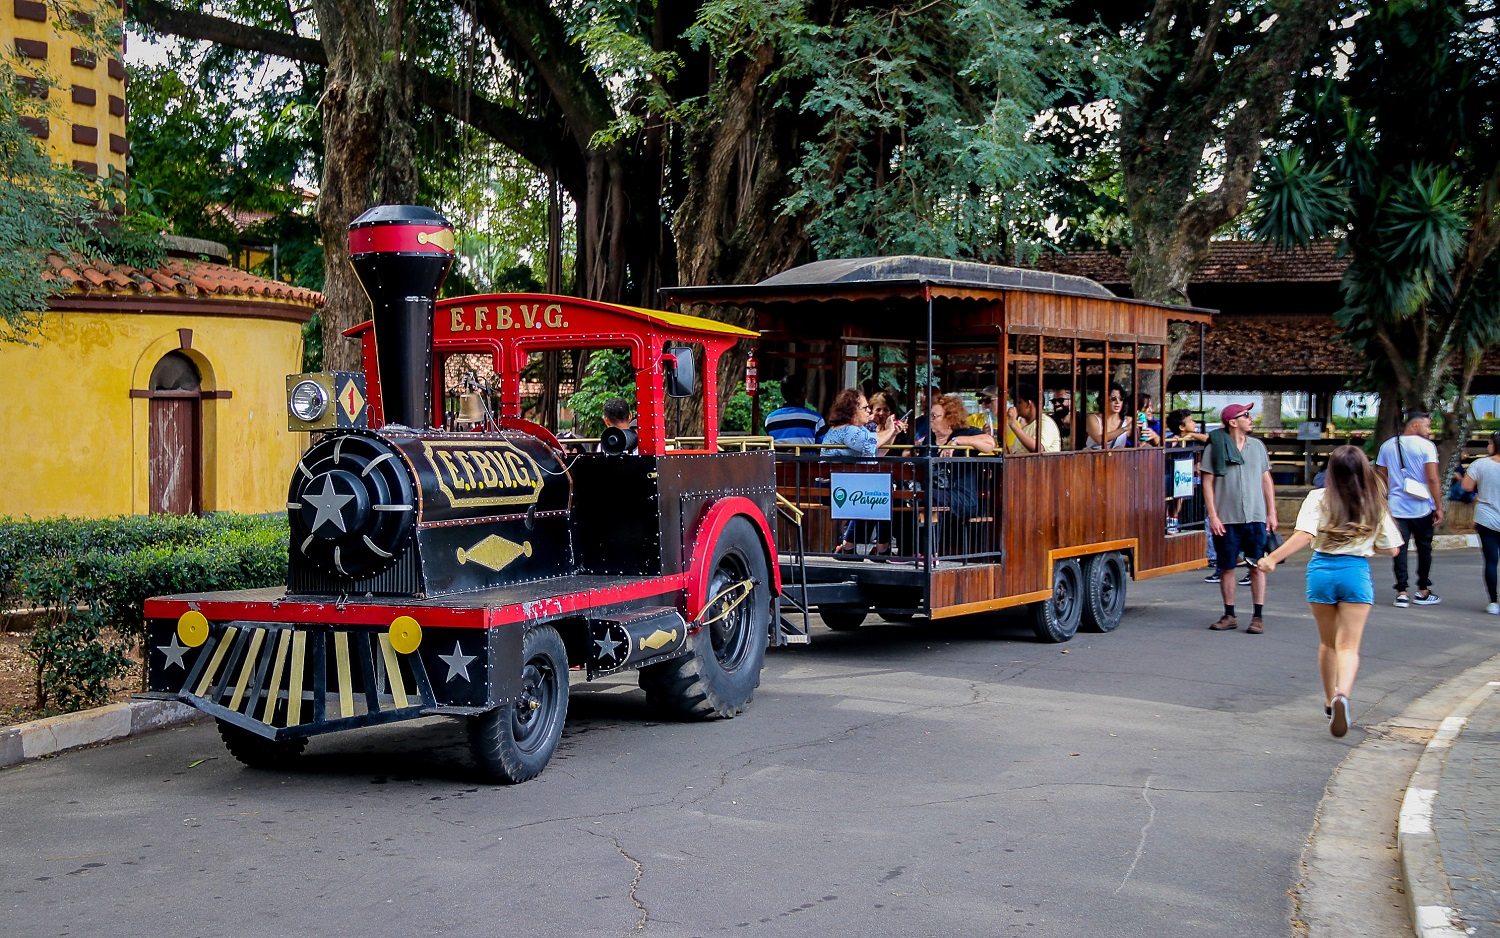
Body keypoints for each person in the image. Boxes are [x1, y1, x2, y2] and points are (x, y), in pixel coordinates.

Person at [1256, 445, 1402, 737]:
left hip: (1322, 572)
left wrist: (1272, 558)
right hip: (1356, 573)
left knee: (1328, 644)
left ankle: (1327, 701)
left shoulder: (1317, 497)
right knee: (1349, 646)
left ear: (1331, 472)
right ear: (1363, 470)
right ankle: (1342, 696)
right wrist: (1368, 544)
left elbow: (1306, 534)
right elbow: (1393, 549)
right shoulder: (1374, 502)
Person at [1203, 402, 1277, 632]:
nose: (1251, 418)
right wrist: (1213, 516)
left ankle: (1258, 616)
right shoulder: (1215, 447)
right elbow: (1207, 481)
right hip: (1227, 516)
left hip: (1254, 515)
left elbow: (1266, 480)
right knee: (1227, 567)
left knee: (1257, 566)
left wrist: (1271, 511)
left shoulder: (1257, 446)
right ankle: (1230, 614)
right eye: (1246, 415)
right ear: (1233, 422)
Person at [1374, 410, 1444, 607]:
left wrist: (1386, 499)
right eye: (1427, 426)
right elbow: (1432, 478)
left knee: (1399, 549)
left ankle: (1402, 592)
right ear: (1415, 425)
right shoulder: (1427, 447)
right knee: (1424, 549)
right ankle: (1423, 590)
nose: (1429, 430)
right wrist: (1439, 506)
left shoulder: (1387, 446)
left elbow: (1382, 477)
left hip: (1396, 507)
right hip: (1422, 507)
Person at [822, 389, 903, 557]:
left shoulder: (855, 431)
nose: (868, 411)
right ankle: (882, 548)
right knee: (882, 494)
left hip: (847, 484)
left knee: (879, 492)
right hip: (838, 487)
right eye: (865, 407)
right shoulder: (848, 431)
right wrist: (889, 429)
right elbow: (872, 445)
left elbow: (876, 453)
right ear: (852, 410)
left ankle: (854, 545)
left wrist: (892, 433)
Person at [1460, 430, 1500, 615]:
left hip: (1487, 518)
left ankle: (1493, 602)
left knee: (1491, 560)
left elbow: (1466, 486)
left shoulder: (1480, 464)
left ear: (1493, 444)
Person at [765, 373, 826, 444]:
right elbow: (823, 448)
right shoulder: (816, 419)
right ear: (802, 393)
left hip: (779, 455)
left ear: (782, 393)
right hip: (808, 455)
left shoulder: (770, 419)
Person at [1005, 382, 1061, 454]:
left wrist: (1013, 425)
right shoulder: (1026, 428)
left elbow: (1038, 448)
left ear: (1028, 403)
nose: (1015, 407)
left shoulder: (1045, 422)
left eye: (1019, 402)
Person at [1086, 383, 1133, 449]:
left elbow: (1140, 441)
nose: (1117, 402)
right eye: (1113, 398)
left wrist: (1151, 435)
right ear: (1102, 399)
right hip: (1096, 457)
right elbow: (1099, 440)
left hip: (1117, 458)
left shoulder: (1128, 420)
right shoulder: (1093, 419)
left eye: (1121, 399)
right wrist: (1124, 429)